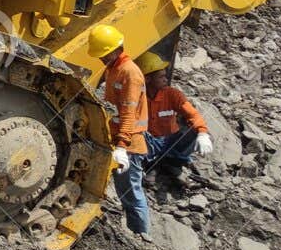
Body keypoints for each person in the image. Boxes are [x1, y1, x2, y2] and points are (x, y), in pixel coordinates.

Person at [86, 24, 149, 236]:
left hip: (130, 144)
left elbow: (129, 112)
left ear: (116, 49)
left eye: (104, 55)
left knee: (131, 193)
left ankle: (142, 236)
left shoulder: (130, 73)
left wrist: (122, 146)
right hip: (115, 139)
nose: (101, 59)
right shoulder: (112, 69)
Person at [136, 52, 213, 189]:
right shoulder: (137, 97)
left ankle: (173, 163)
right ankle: (153, 165)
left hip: (169, 141)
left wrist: (202, 133)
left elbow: (193, 114)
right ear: (147, 79)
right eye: (161, 77)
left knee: (192, 129)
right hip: (148, 144)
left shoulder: (172, 94)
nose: (166, 79)